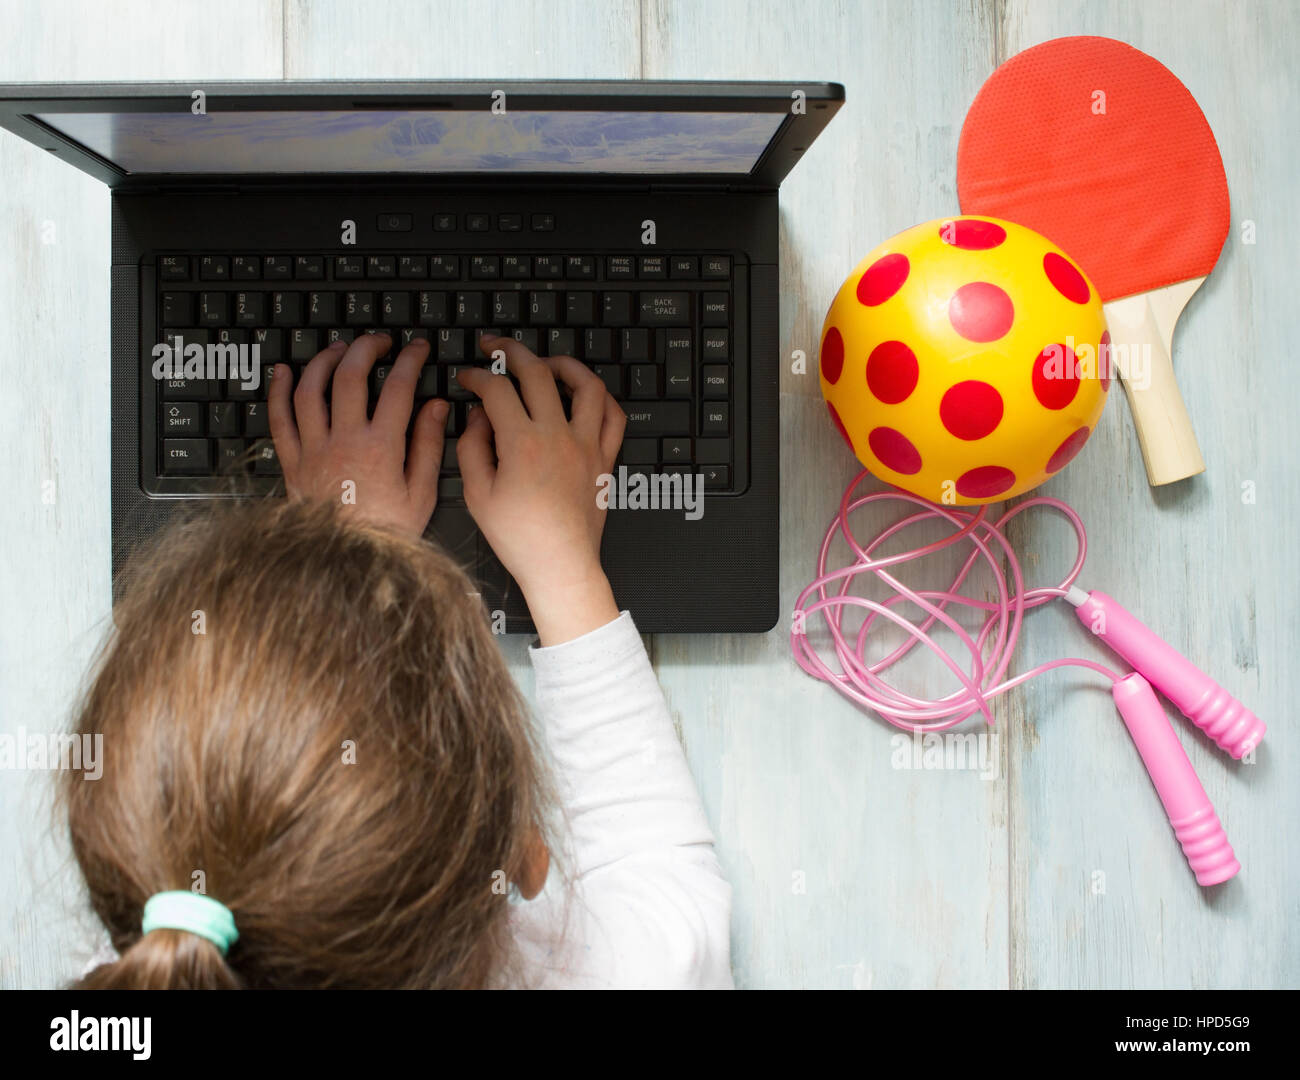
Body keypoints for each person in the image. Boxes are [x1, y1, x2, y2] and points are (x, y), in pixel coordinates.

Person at [63, 332, 733, 989]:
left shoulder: (150, 962)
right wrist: (562, 567)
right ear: (524, 855)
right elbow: (667, 893)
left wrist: (355, 558)